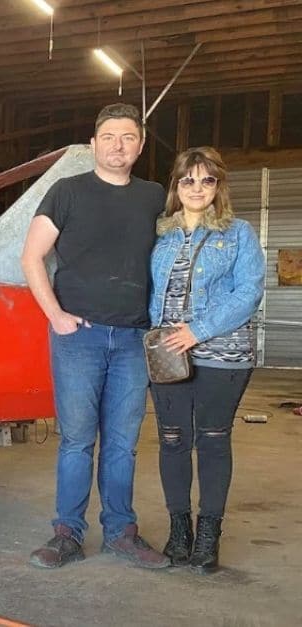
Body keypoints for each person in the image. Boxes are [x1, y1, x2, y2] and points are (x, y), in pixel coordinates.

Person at [20, 103, 170, 569]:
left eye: (128, 137)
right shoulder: (67, 192)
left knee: (123, 443)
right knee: (77, 441)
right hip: (78, 336)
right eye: (109, 136)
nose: (118, 145)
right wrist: (56, 316)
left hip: (131, 338)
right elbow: (31, 258)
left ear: (140, 147)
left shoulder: (153, 197)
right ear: (93, 144)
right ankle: (67, 533)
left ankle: (121, 532)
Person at [148, 147, 264, 574]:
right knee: (173, 440)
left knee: (212, 439)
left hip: (223, 353)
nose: (197, 188)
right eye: (188, 180)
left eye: (207, 180)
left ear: (219, 185)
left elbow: (248, 291)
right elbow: (149, 293)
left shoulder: (239, 233)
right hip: (167, 356)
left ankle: (209, 534)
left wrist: (198, 330)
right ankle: (180, 530)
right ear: (176, 187)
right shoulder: (160, 235)